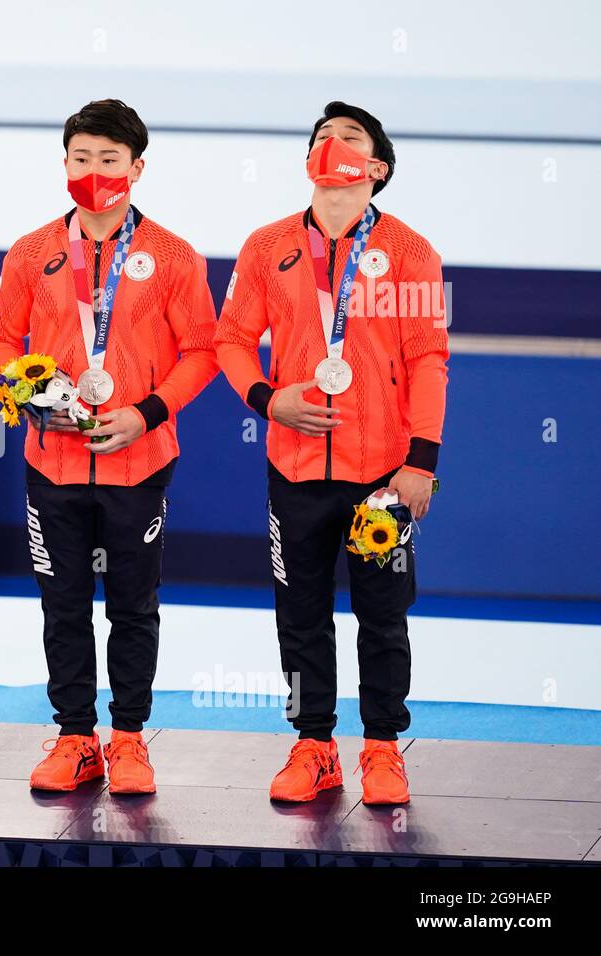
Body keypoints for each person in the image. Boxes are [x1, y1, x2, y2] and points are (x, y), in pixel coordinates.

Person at [213, 101, 449, 805]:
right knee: (300, 615)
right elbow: (229, 339)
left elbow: (431, 359)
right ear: (308, 161)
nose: (332, 143)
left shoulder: (410, 252)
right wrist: (266, 398)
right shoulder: (266, 247)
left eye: (349, 138)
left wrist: (421, 463)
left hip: (381, 474)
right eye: (322, 136)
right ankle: (313, 746)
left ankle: (382, 751)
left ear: (375, 167)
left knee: (383, 616)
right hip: (295, 466)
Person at [0, 100, 218, 794]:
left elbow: (203, 352)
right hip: (51, 459)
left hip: (137, 460)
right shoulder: (32, 251)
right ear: (65, 164)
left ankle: (129, 740)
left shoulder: (174, 257)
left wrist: (146, 414)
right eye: (81, 158)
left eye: (109, 160)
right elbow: (1, 337)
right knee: (62, 605)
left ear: (137, 168)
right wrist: (25, 399)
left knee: (133, 607)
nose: (94, 172)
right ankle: (75, 738)